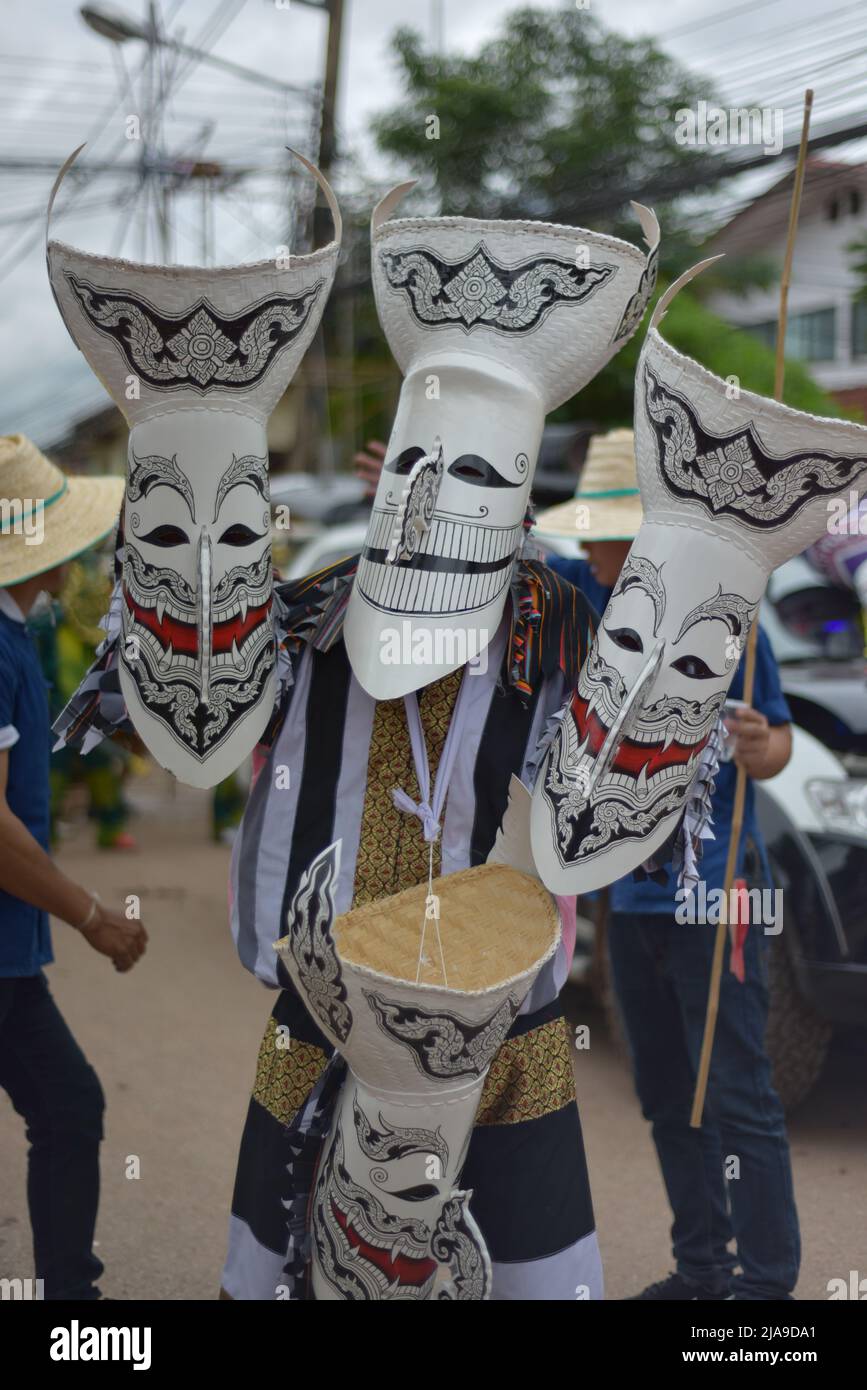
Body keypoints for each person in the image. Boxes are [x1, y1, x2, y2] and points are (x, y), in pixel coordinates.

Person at [536, 428, 800, 1302]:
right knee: (664, 1095)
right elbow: (502, 560)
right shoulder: (580, 590)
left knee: (734, 1092)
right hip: (627, 902)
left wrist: (762, 747)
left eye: (612, 531)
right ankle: (701, 1269)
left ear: (647, 533)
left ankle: (763, 1292)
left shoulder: (727, 609)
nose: (596, 548)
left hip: (718, 895)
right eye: (590, 531)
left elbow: (778, 743)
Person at [0, 434, 148, 1301]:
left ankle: (70, 1300)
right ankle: (71, 1308)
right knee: (68, 1108)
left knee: (65, 1108)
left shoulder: (20, 636)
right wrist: (92, 915)